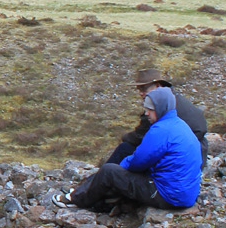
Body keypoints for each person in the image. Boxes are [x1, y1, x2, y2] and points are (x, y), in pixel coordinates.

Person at [55, 86, 201, 212]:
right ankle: (98, 197)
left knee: (109, 171)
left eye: (150, 109)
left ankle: (75, 200)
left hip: (168, 196)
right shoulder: (179, 125)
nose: (146, 113)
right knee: (124, 162)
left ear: (161, 108)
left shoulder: (160, 130)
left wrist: (120, 167)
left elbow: (138, 162)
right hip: (185, 195)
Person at [100, 68, 209, 167]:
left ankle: (97, 182)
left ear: (157, 86)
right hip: (196, 157)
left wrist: (125, 137)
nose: (141, 93)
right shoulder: (174, 100)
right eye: (139, 89)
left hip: (181, 160)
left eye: (144, 88)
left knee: (124, 149)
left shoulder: (160, 107)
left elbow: (140, 136)